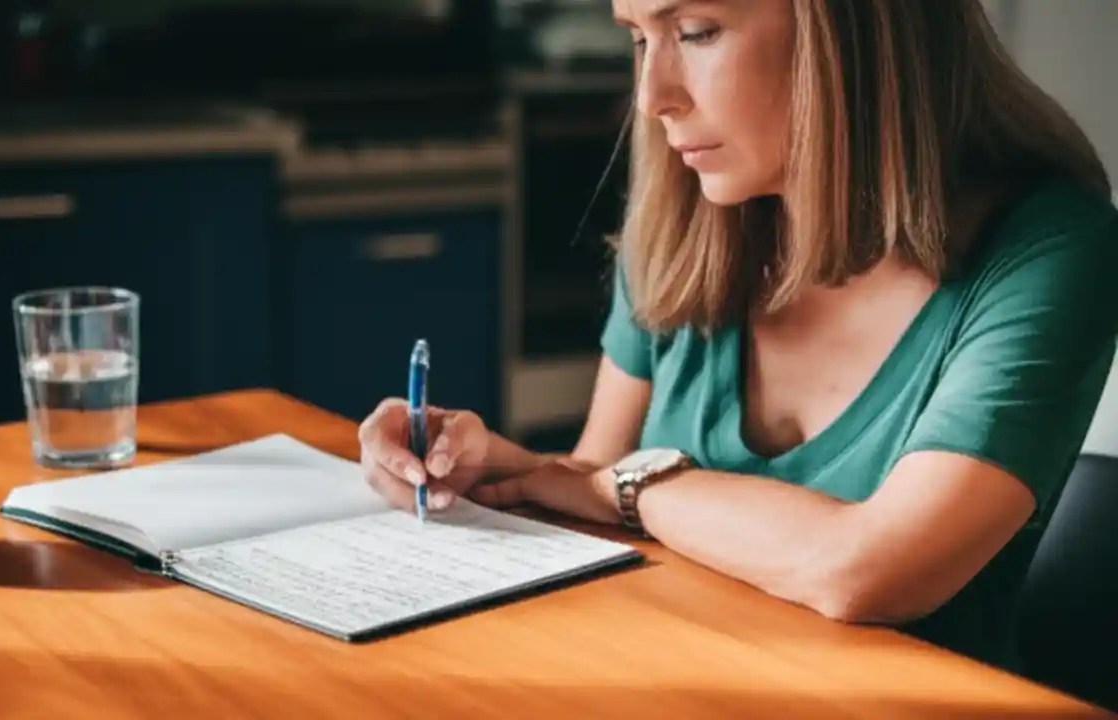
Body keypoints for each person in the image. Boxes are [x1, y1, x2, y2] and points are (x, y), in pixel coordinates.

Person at [357, 0, 1118, 670]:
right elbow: (590, 482)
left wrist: (624, 485)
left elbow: (866, 569)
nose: (654, 96)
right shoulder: (682, 228)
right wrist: (498, 472)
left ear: (851, 30)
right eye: (637, 39)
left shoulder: (1052, 251)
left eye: (695, 31)